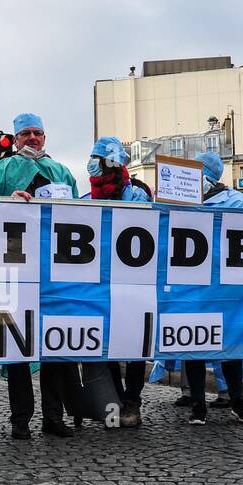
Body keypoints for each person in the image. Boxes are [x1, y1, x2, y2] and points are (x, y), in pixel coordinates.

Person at [0, 112, 81, 439]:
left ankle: (54, 417)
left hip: (53, 273)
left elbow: (79, 217)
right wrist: (6, 205)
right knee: (16, 347)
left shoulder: (62, 172)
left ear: (44, 137)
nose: (32, 138)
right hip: (13, 272)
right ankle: (20, 419)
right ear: (16, 138)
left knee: (54, 346)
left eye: (38, 133)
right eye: (26, 134)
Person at [181, 151, 243, 426]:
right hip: (192, 284)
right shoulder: (180, 200)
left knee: (230, 345)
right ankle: (197, 404)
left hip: (227, 284)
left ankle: (238, 401)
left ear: (210, 175)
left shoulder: (236, 200)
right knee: (193, 343)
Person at [80, 136, 149, 427]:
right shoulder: (86, 199)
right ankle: (117, 400)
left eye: (101, 159)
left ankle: (132, 400)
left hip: (133, 285)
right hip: (100, 286)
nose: (94, 165)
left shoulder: (138, 195)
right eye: (93, 158)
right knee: (106, 344)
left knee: (135, 347)